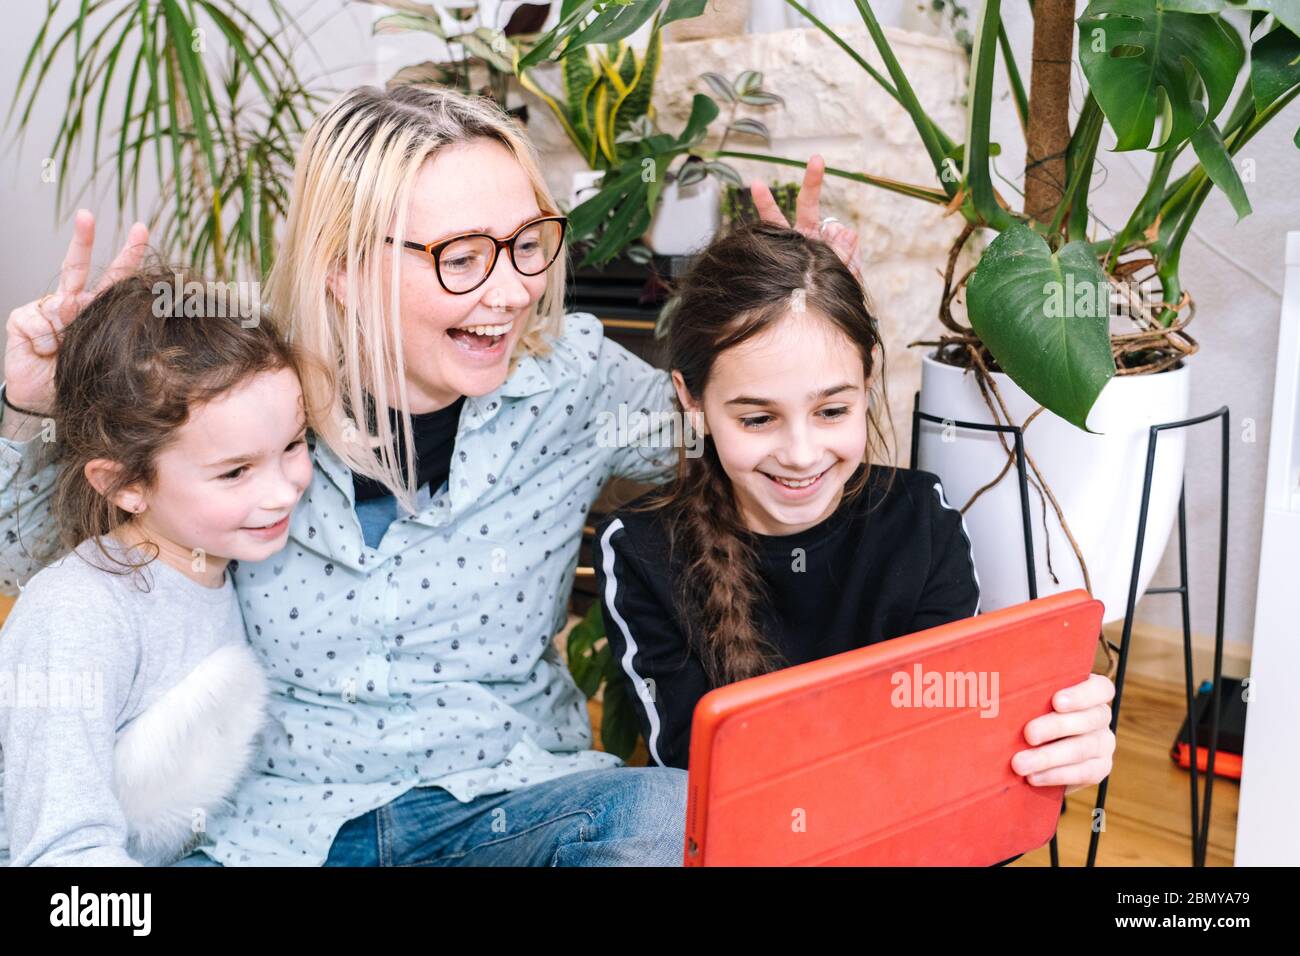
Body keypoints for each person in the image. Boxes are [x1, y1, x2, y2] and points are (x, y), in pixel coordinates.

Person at [596, 221, 1117, 794]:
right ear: (692, 402)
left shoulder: (922, 520)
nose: (800, 455)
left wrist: (1041, 750)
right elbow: (696, 778)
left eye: (831, 412)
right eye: (757, 418)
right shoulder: (640, 548)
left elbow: (946, 736)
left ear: (868, 379)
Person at [0, 264, 314, 864]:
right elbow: (61, 859)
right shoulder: (75, 616)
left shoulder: (230, 556)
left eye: (294, 445)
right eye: (236, 471)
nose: (284, 491)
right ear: (123, 484)